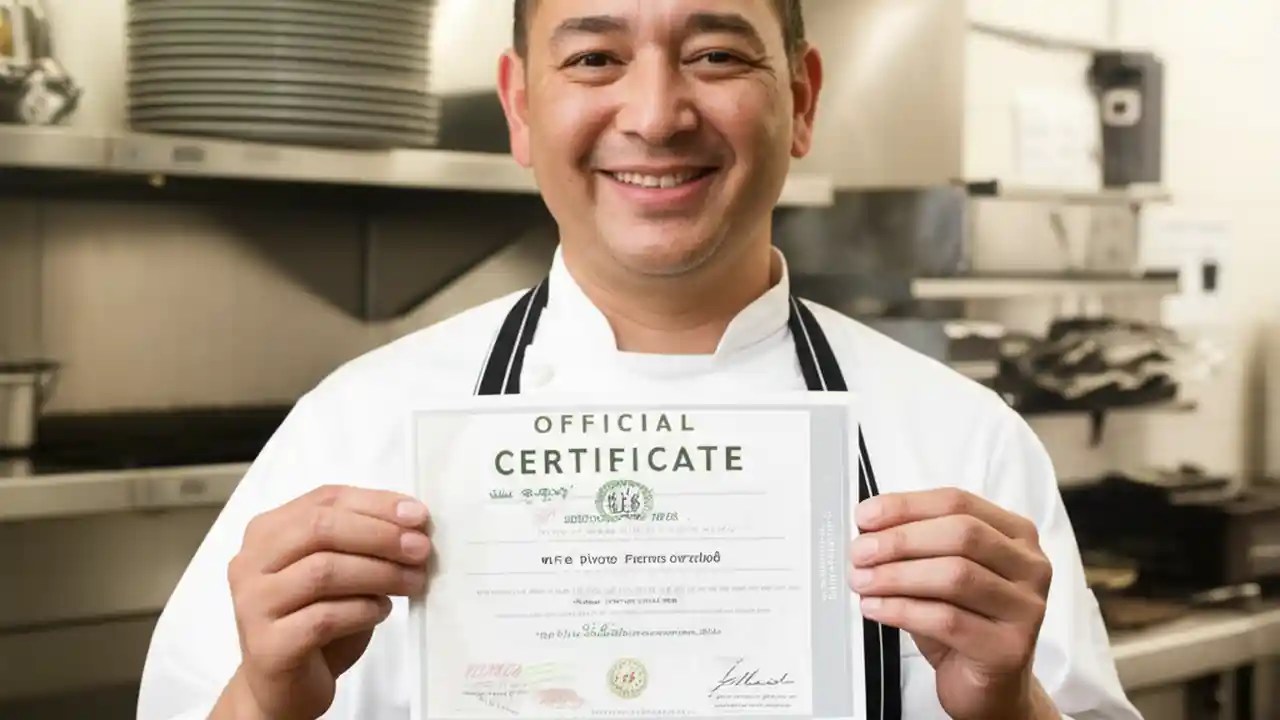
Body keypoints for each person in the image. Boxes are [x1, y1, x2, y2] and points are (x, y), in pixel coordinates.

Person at [137, 1, 1141, 718]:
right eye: (592, 60)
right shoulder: (352, 430)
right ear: (520, 109)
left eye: (712, 53)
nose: (656, 114)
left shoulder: (963, 443)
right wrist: (265, 699)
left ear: (799, 98)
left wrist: (1004, 705)